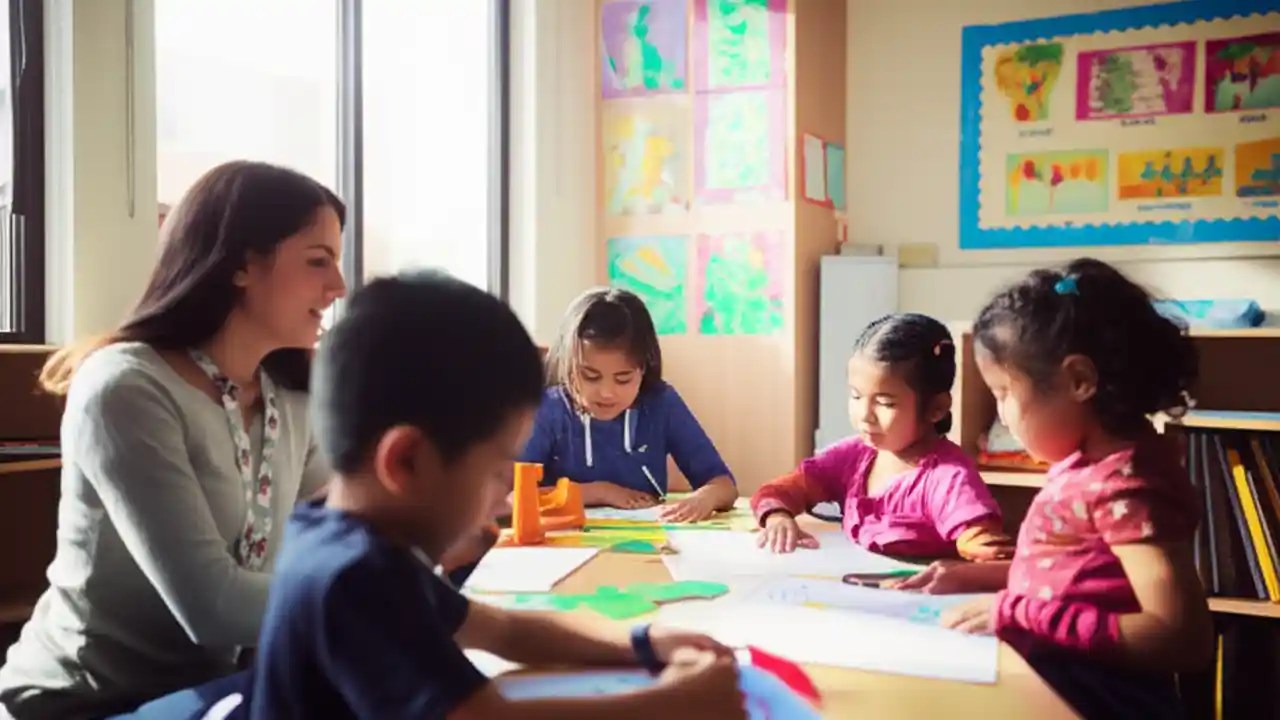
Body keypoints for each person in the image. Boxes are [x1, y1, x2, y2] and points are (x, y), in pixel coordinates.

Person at [251, 270, 746, 719]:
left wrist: (641, 642)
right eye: (497, 472)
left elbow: (501, 630)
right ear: (405, 463)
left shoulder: (341, 529)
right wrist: (673, 704)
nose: (502, 501)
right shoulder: (355, 578)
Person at [0, 161, 348, 719]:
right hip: (85, 705)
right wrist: (388, 599)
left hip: (213, 693)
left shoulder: (292, 394)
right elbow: (213, 606)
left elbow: (334, 536)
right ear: (240, 264)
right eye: (317, 261)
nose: (339, 287)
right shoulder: (126, 388)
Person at [918, 259, 1212, 719]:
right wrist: (981, 576)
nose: (1003, 416)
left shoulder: (1128, 487)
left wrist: (1018, 613)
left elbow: (1179, 638)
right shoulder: (1087, 466)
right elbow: (1081, 580)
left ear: (1079, 381)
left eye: (1003, 393)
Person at [752, 314, 1012, 561]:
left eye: (885, 403)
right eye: (856, 396)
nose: (865, 415)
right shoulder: (852, 456)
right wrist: (778, 516)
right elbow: (784, 490)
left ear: (936, 408)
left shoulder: (948, 478)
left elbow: (987, 550)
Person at [521, 288, 737, 523]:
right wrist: (600, 491)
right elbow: (510, 498)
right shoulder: (548, 409)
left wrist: (704, 498)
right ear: (566, 363)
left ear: (644, 368)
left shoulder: (661, 403)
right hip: (564, 545)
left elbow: (724, 485)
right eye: (590, 376)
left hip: (646, 542)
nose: (607, 392)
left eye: (623, 378)